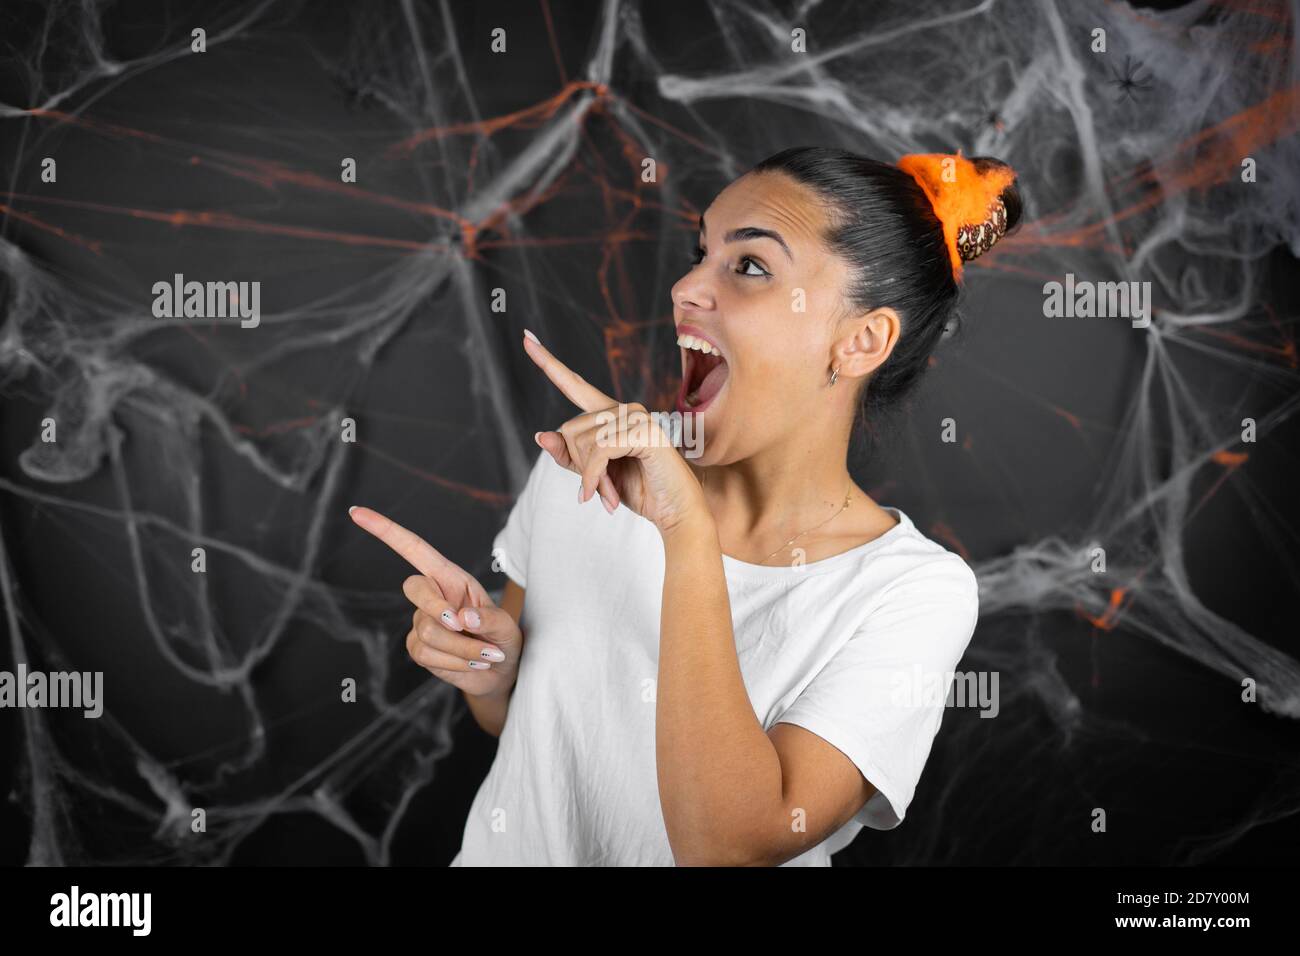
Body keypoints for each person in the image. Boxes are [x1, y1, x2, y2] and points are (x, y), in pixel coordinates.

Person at [351, 145, 1023, 866]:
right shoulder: (591, 470)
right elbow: (528, 731)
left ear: (861, 341)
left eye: (751, 266)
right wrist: (492, 673)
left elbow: (729, 845)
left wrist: (688, 535)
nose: (685, 288)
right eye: (699, 253)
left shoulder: (913, 594)